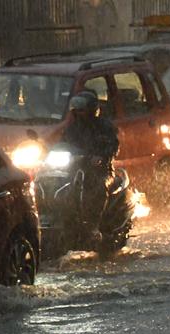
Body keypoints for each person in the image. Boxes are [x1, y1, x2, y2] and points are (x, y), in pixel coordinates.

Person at [60, 91, 119, 232]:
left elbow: (113, 146)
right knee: (53, 183)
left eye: (82, 109)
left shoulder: (104, 127)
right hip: (74, 168)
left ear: (91, 109)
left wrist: (102, 157)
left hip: (100, 170)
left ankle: (94, 225)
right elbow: (62, 144)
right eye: (76, 110)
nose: (79, 113)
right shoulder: (72, 128)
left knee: (99, 187)